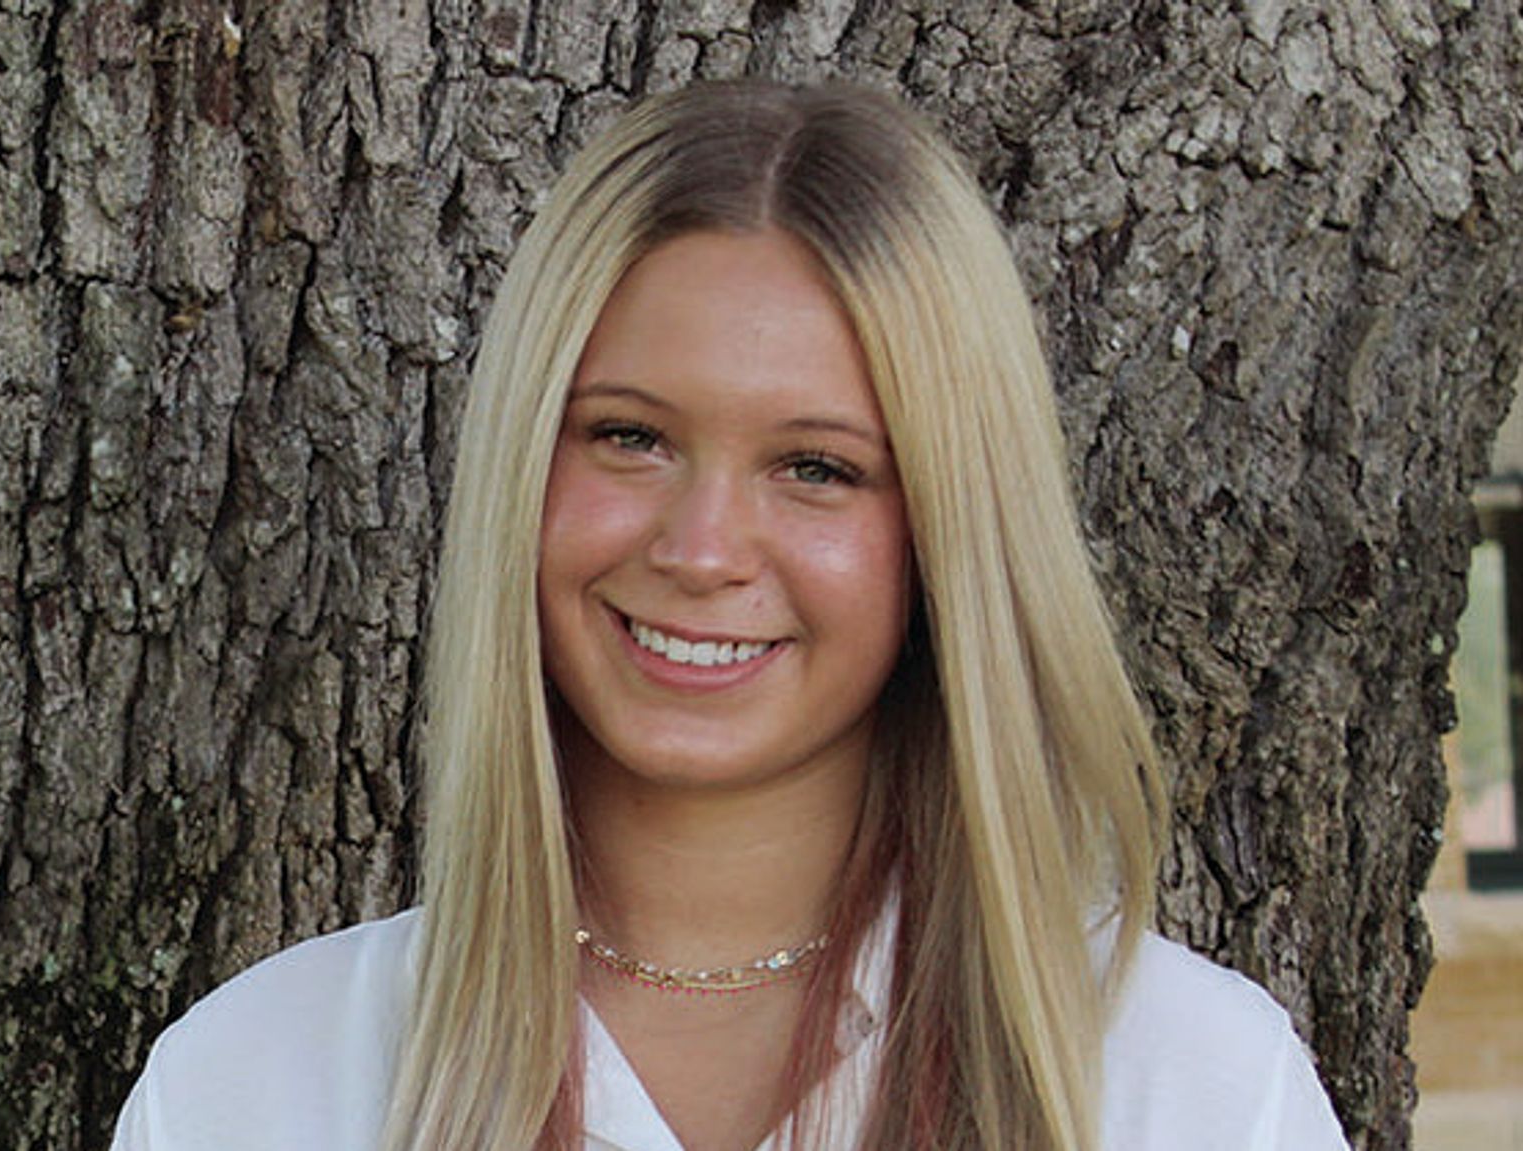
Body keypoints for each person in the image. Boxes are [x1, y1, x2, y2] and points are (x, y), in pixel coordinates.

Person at [111, 80, 1351, 1151]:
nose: (701, 551)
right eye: (630, 436)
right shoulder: (250, 1083)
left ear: (947, 535)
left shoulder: (1190, 1085)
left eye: (816, 467)